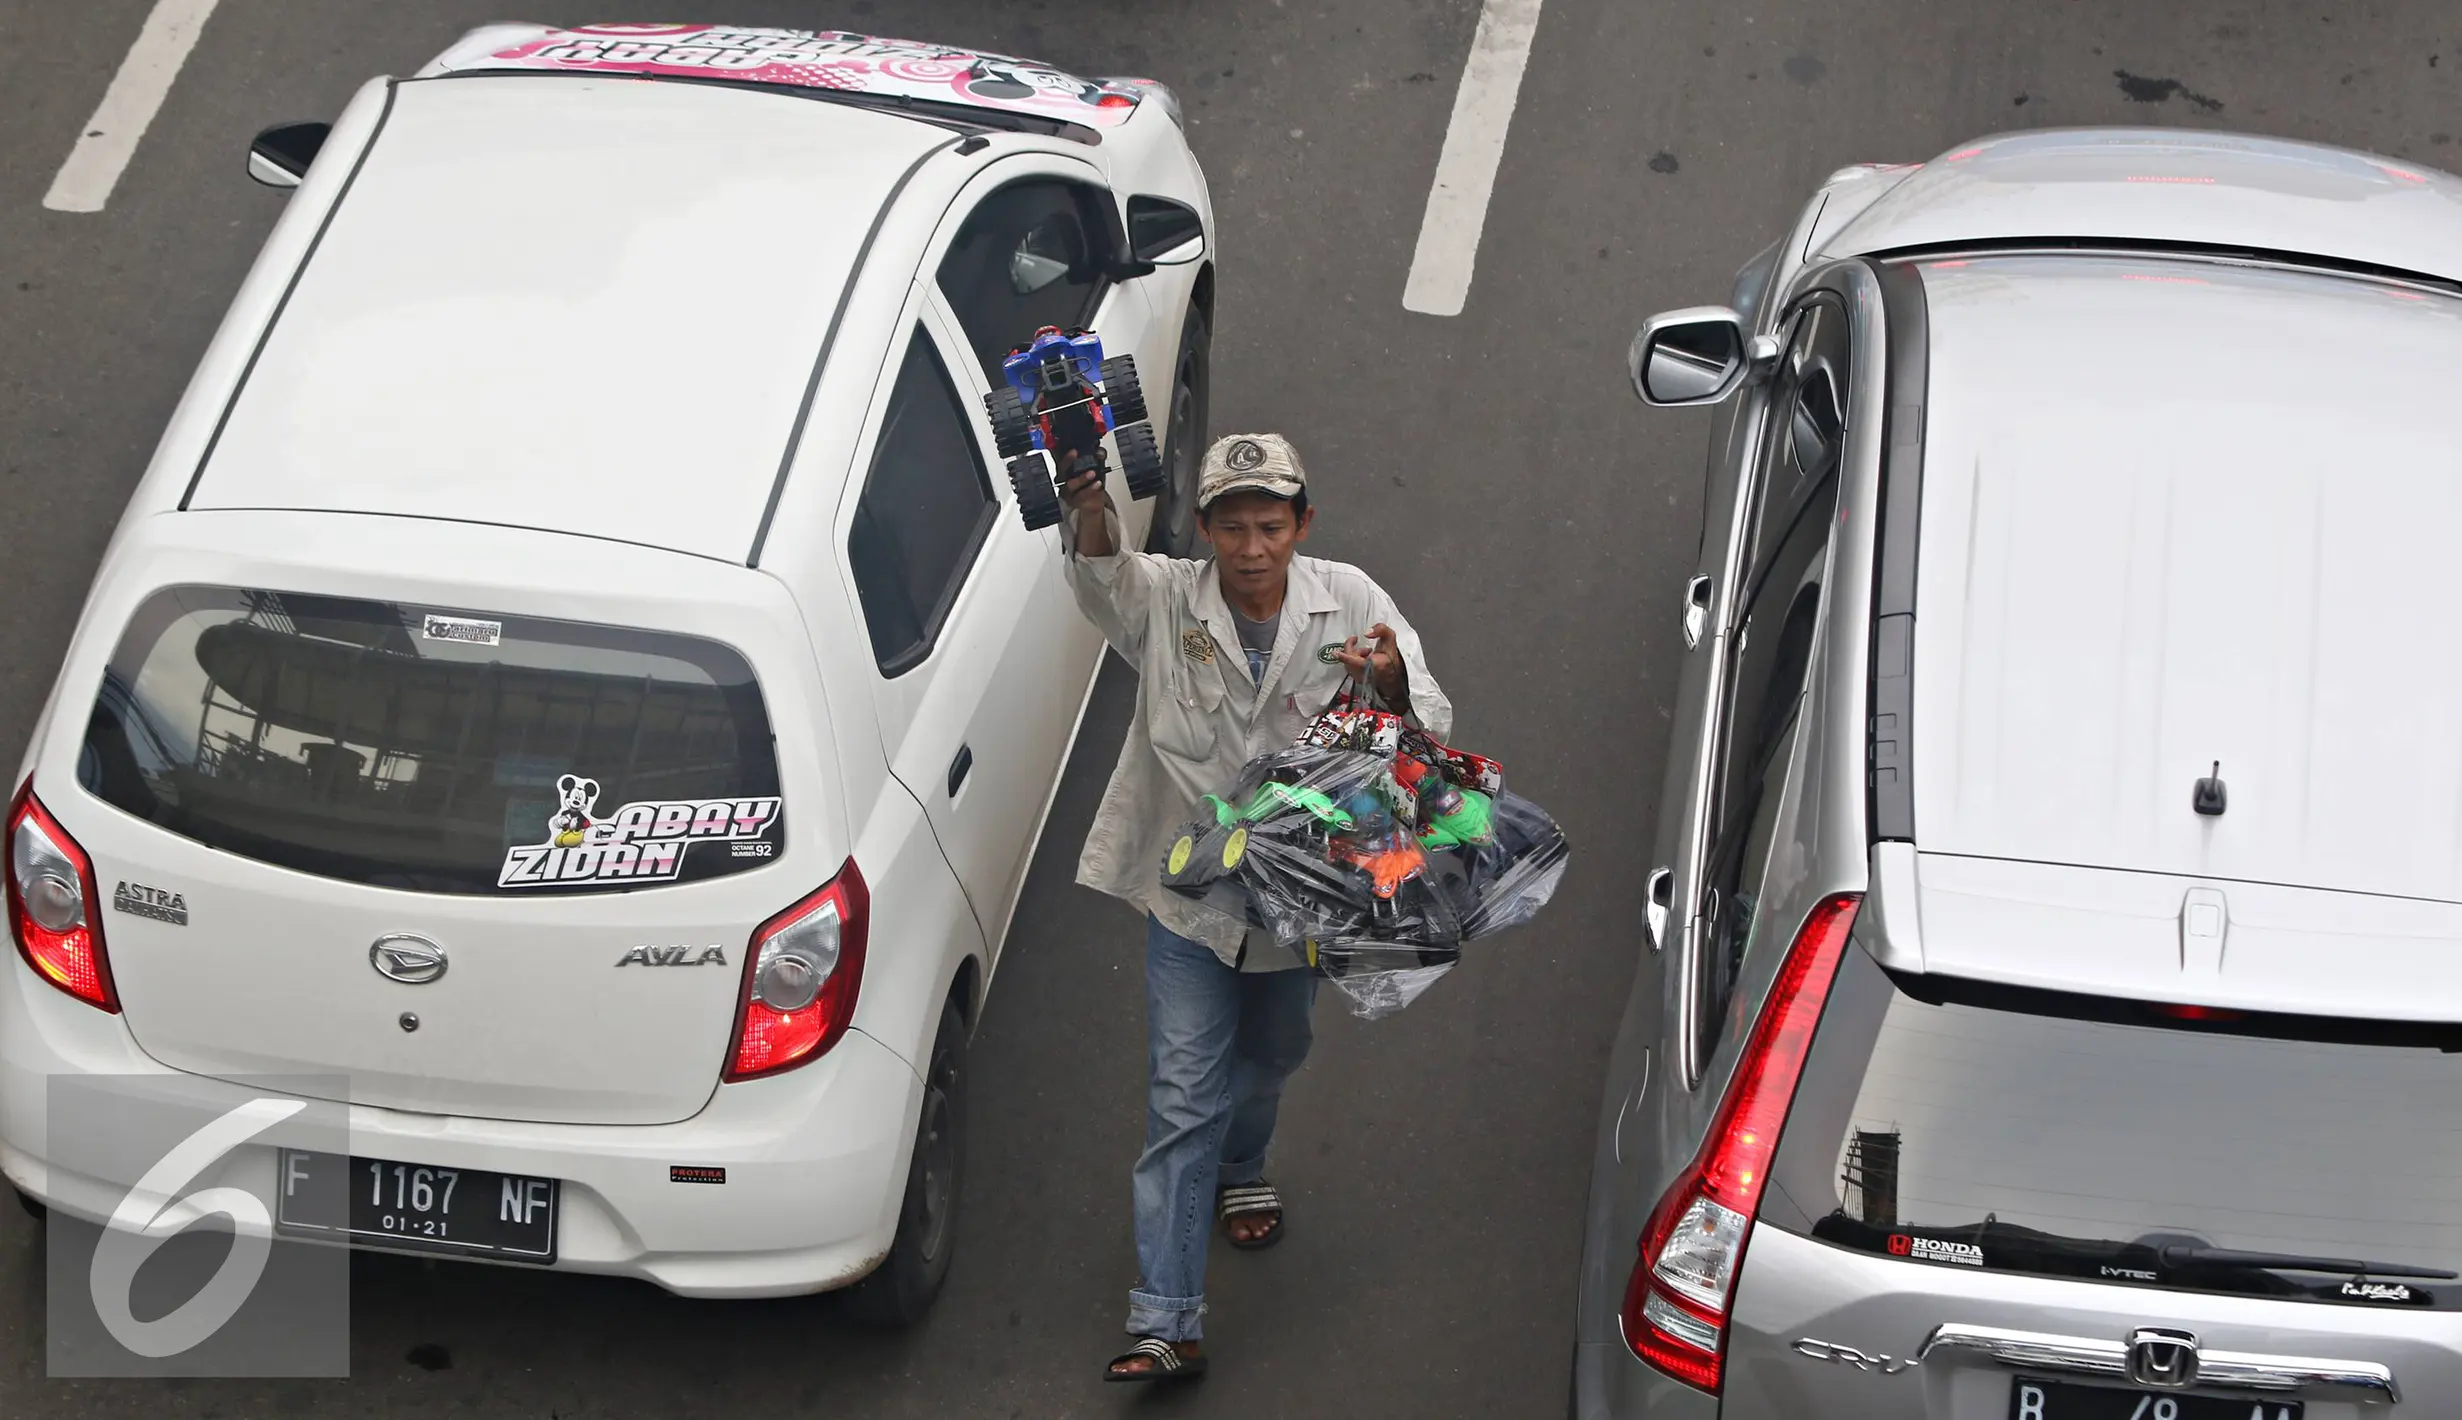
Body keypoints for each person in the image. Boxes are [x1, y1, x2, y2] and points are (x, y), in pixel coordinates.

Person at [1058, 432, 1452, 1383]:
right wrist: (1087, 494)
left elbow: (1431, 723)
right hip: (1191, 901)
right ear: (1203, 530)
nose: (1249, 548)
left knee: (1273, 1055)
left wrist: (1388, 681)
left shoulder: (1351, 600)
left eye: (1269, 526)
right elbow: (1100, 570)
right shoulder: (1162, 600)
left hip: (1296, 906)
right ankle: (1167, 1321)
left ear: (1301, 527)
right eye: (1230, 526)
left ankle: (1245, 1165)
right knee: (1182, 1097)